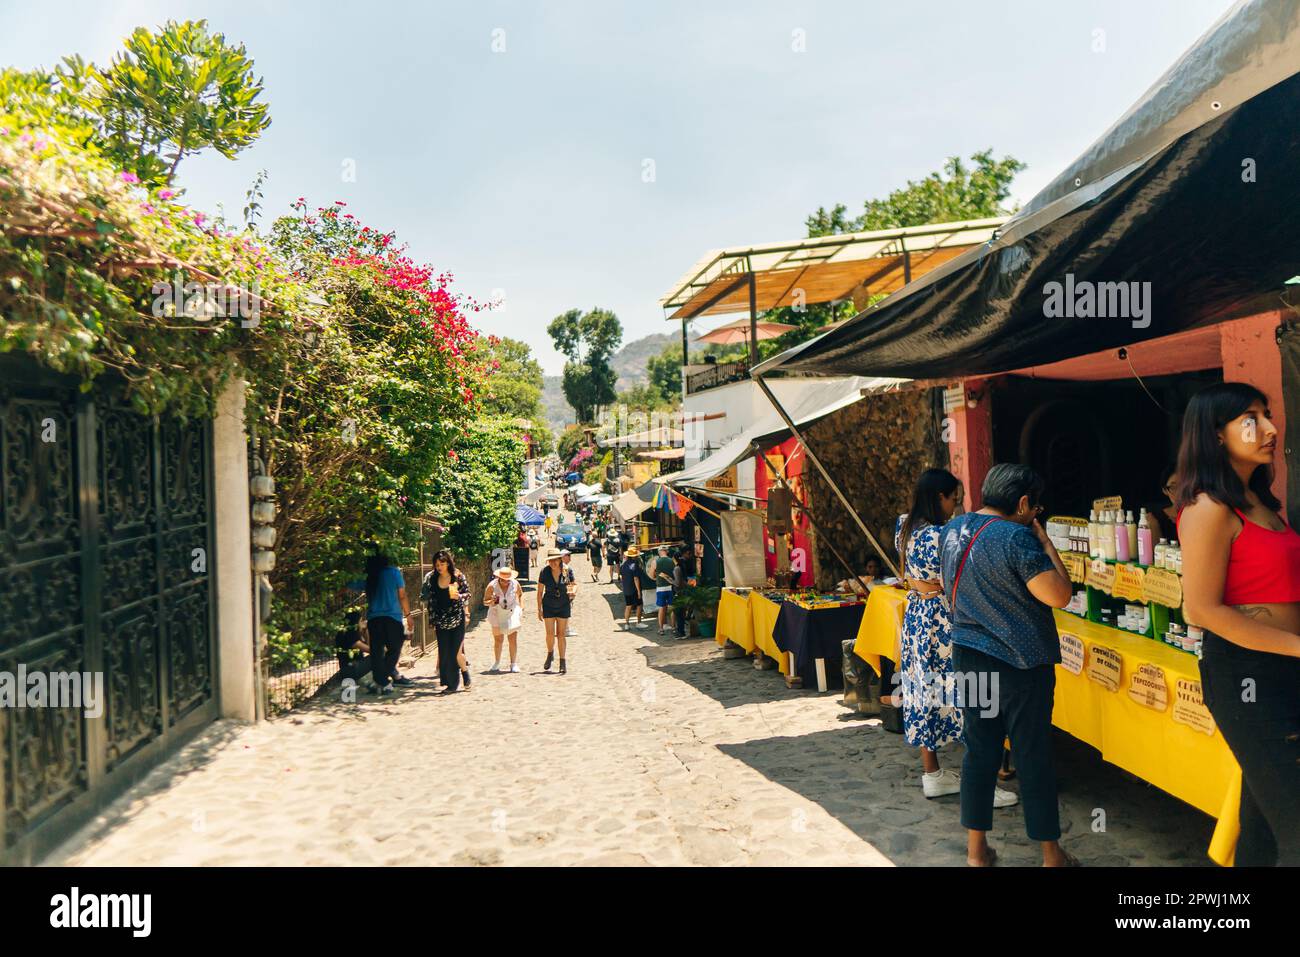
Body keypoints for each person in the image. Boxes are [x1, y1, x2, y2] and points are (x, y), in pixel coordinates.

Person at [1176, 383, 1300, 866]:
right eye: (1251, 418)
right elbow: (1201, 610)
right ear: (1216, 434)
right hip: (1246, 676)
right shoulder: (1209, 508)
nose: (1269, 428)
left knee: (1266, 824)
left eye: (1268, 414)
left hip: (1283, 667)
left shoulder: (1261, 504)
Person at [939, 463, 1076, 867]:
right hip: (1021, 664)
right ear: (1022, 504)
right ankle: (1052, 856)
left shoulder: (952, 530)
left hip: (969, 656)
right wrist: (1047, 545)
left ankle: (976, 852)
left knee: (979, 753)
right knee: (1032, 755)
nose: (1036, 516)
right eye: (1036, 509)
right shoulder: (1017, 538)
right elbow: (1059, 596)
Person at [897, 469, 1019, 809]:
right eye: (954, 498)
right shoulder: (944, 534)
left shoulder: (904, 527)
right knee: (973, 697)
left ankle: (932, 773)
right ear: (939, 497)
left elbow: (912, 574)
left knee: (924, 691)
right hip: (947, 620)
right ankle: (983, 782)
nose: (957, 505)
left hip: (918, 619)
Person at [347, 553, 411, 695]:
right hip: (392, 618)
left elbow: (352, 585)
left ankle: (380, 681)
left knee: (377, 653)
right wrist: (408, 615)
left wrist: (341, 587)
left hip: (375, 620)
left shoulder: (370, 576)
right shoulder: (394, 572)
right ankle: (382, 679)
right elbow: (402, 595)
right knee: (394, 650)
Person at [423, 549, 472, 692]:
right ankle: (452, 683)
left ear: (448, 563)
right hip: (441, 620)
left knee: (455, 652)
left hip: (457, 618)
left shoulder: (457, 576)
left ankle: (464, 674)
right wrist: (432, 620)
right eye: (437, 564)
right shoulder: (432, 578)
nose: (439, 567)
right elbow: (431, 601)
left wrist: (460, 597)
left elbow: (468, 593)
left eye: (442, 564)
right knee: (444, 652)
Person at [537, 548, 572, 673]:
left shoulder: (566, 570)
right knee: (550, 634)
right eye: (550, 560)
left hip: (563, 605)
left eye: (555, 560)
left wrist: (573, 592)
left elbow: (574, 584)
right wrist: (539, 608)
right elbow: (540, 591)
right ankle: (550, 653)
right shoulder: (544, 572)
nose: (552, 563)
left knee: (561, 635)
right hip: (548, 605)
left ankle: (562, 661)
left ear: (559, 559)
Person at [483, 565, 523, 673]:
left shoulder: (515, 584)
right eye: (503, 580)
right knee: (498, 639)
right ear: (499, 578)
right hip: (496, 613)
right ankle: (497, 662)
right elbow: (485, 601)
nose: (506, 582)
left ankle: (513, 663)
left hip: (511, 612)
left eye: (507, 580)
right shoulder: (492, 586)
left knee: (512, 639)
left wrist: (520, 609)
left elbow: (520, 594)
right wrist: (491, 602)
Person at [334, 610, 372, 687]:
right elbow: (372, 650)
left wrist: (364, 631)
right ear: (355, 623)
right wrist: (367, 631)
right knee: (380, 655)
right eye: (361, 621)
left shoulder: (347, 633)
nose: (363, 623)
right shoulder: (351, 637)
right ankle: (394, 677)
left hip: (351, 668)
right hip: (350, 671)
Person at [620, 545, 648, 629]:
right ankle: (638, 622)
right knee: (639, 605)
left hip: (626, 589)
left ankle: (626, 624)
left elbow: (622, 576)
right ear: (635, 556)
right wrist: (639, 591)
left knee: (628, 606)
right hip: (634, 589)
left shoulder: (623, 565)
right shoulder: (635, 565)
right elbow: (636, 579)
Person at [653, 545, 675, 635]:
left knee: (661, 608)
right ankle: (674, 627)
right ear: (667, 551)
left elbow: (651, 575)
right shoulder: (672, 561)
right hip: (671, 587)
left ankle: (661, 628)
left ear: (659, 552)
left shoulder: (656, 561)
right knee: (672, 607)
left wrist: (656, 578)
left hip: (660, 588)